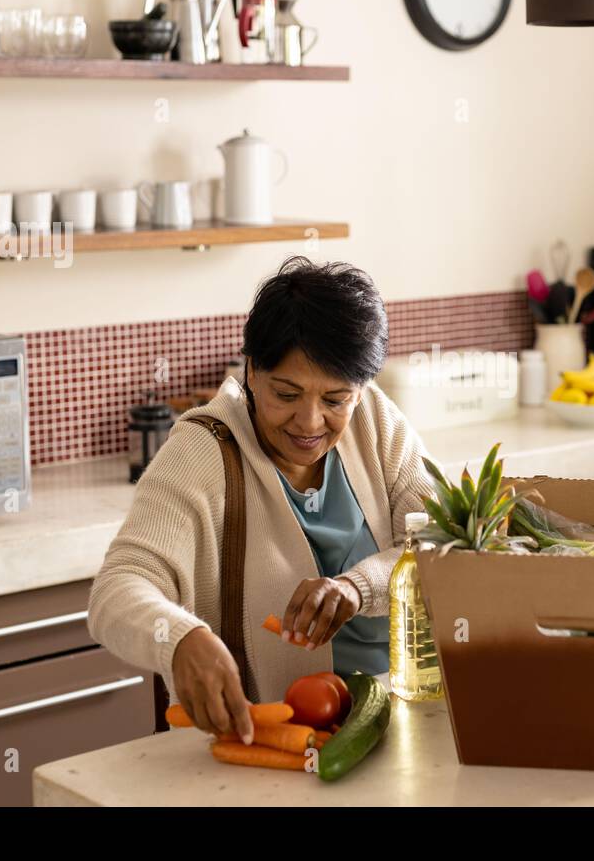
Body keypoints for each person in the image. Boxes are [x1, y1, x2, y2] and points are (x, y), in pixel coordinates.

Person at [88, 257, 432, 743]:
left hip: (400, 728)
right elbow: (117, 590)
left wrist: (358, 587)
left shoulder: (374, 417)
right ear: (251, 370)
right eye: (286, 394)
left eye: (335, 400)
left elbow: (440, 544)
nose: (310, 422)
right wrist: (180, 638)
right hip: (271, 747)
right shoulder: (201, 451)